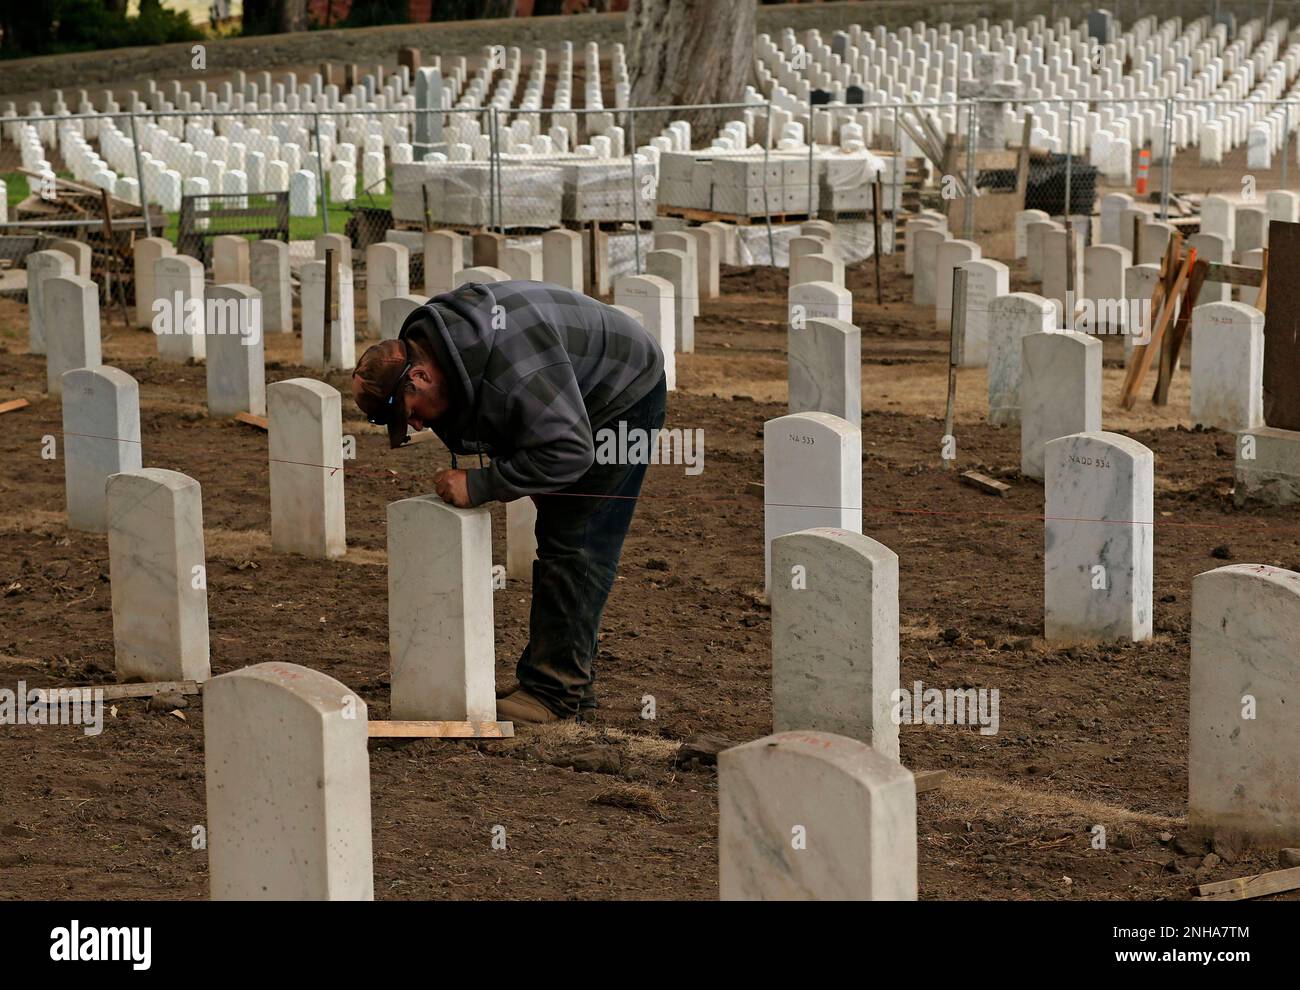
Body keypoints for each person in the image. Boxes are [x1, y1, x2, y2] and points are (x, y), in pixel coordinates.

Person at [351, 279, 666, 724]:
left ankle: (553, 693)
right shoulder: (449, 352)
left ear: (420, 376)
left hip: (621, 392)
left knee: (577, 538)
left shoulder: (513, 366)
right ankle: (571, 685)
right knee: (560, 531)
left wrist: (482, 485)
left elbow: (569, 452)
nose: (416, 425)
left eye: (410, 413)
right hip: (568, 389)